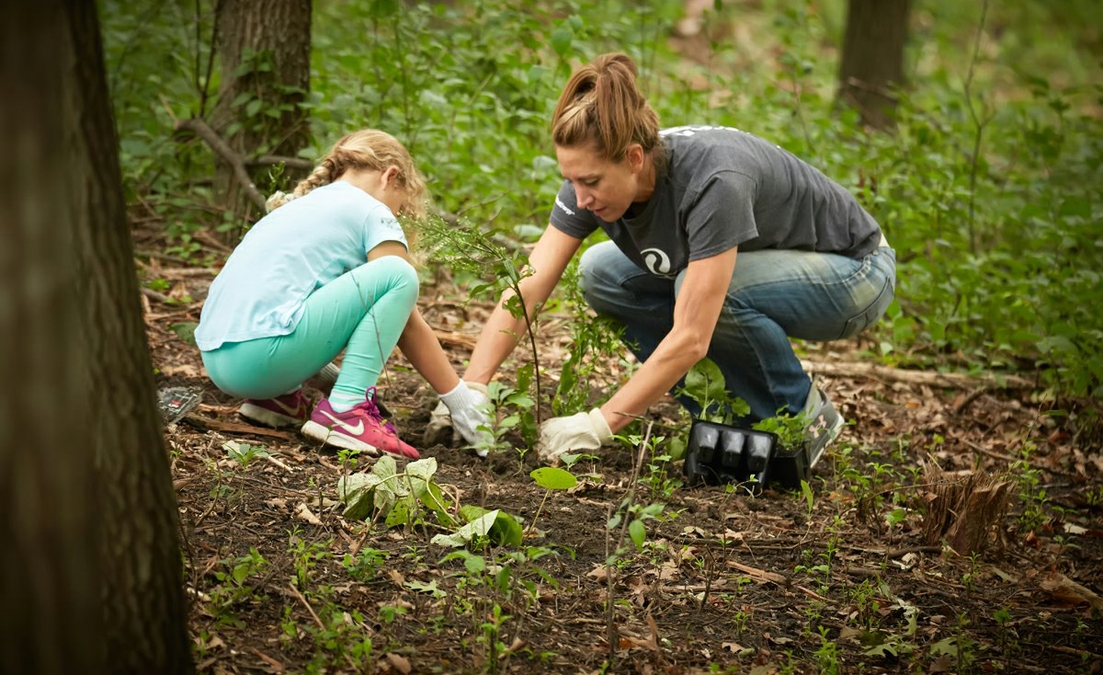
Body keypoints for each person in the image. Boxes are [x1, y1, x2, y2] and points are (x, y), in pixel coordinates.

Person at [434, 53, 896, 466]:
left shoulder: (714, 182)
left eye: (591, 181)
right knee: (600, 274)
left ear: (634, 158)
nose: (581, 197)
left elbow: (693, 336)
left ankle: (802, 419)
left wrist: (599, 425)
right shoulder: (589, 184)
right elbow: (528, 287)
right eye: (571, 180)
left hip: (854, 273)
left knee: (704, 292)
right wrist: (470, 387)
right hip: (773, 267)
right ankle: (726, 413)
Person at [195, 129, 490, 459]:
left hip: (220, 362)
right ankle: (348, 412)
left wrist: (326, 377)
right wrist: (460, 401)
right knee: (398, 275)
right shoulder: (370, 209)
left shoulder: (297, 206)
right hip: (262, 360)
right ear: (390, 176)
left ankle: (280, 397)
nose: (396, 214)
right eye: (400, 206)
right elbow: (406, 319)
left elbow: (277, 311)